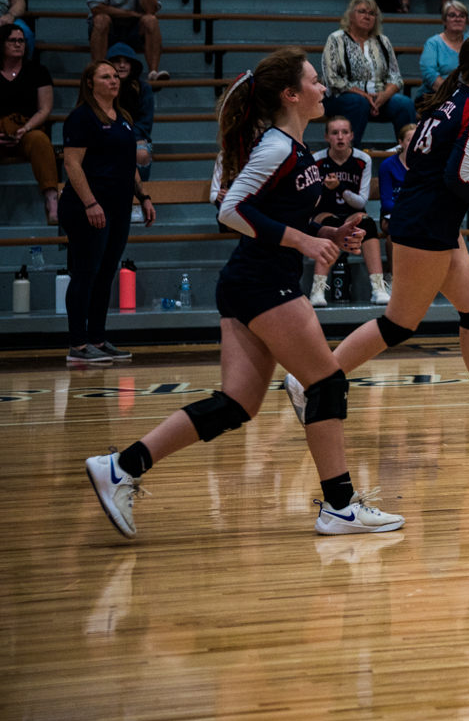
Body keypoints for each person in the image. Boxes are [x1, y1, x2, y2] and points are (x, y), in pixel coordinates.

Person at [84, 50, 402, 540]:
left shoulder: (296, 148)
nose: (324, 90)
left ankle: (121, 467)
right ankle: (339, 507)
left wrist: (331, 233)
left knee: (236, 404)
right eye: (316, 82)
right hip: (260, 282)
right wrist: (302, 241)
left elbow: (289, 215)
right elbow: (230, 210)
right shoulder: (275, 146)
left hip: (247, 283)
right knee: (326, 382)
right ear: (290, 95)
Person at [303, 34, 469, 434]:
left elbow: (421, 157)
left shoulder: (451, 102)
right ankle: (312, 377)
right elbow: (453, 177)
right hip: (426, 223)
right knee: (398, 324)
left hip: (431, 220)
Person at [58, 61, 154, 366]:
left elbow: (129, 165)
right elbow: (72, 165)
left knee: (104, 274)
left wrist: (144, 197)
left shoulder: (123, 118)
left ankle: (97, 339)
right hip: (86, 209)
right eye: (105, 76)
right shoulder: (81, 118)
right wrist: (90, 203)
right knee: (85, 273)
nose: (114, 80)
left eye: (115, 76)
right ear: (89, 83)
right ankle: (78, 345)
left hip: (118, 208)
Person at [310, 114, 389, 306]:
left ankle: (377, 288)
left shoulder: (363, 160)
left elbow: (361, 201)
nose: (340, 137)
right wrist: (323, 188)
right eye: (335, 133)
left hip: (352, 212)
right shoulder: (316, 160)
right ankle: (317, 290)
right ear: (326, 136)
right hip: (325, 212)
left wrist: (338, 187)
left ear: (352, 135)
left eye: (344, 132)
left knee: (368, 224)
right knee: (332, 226)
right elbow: (312, 200)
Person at [322, 0, 415, 142]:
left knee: (405, 104)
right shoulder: (336, 39)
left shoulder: (382, 41)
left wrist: (383, 96)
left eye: (372, 13)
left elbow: (395, 77)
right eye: (362, 11)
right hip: (341, 98)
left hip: (378, 98)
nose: (367, 16)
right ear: (351, 16)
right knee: (358, 103)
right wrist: (364, 95)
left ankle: (408, 153)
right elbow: (332, 79)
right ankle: (350, 153)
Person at [0, 22, 60, 225]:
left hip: (26, 129)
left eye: (21, 41)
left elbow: (45, 108)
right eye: (12, 40)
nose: (18, 44)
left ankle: (52, 201)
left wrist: (25, 129)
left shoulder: (37, 71)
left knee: (41, 141)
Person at [107, 42, 155, 216]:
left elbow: (144, 123)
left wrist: (127, 136)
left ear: (133, 65)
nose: (121, 65)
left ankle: (137, 201)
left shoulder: (143, 89)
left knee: (141, 154)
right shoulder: (102, 88)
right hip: (108, 136)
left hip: (135, 137)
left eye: (126, 61)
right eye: (117, 61)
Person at [419, 0, 469, 98]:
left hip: (467, 93)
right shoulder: (433, 43)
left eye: (462, 16)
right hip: (437, 94)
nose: (457, 19)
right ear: (444, 20)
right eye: (452, 15)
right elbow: (430, 74)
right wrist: (455, 94)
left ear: (466, 21)